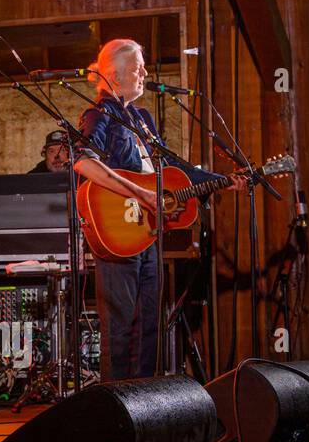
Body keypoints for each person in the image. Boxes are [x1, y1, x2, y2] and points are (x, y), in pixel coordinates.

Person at [73, 39, 241, 381]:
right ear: (115, 75)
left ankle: (146, 397)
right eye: (138, 68)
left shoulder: (142, 119)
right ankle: (116, 401)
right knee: (119, 326)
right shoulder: (98, 115)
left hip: (148, 232)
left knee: (150, 323)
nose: (145, 74)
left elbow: (173, 171)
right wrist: (141, 194)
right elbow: (83, 163)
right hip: (119, 230)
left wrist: (222, 181)